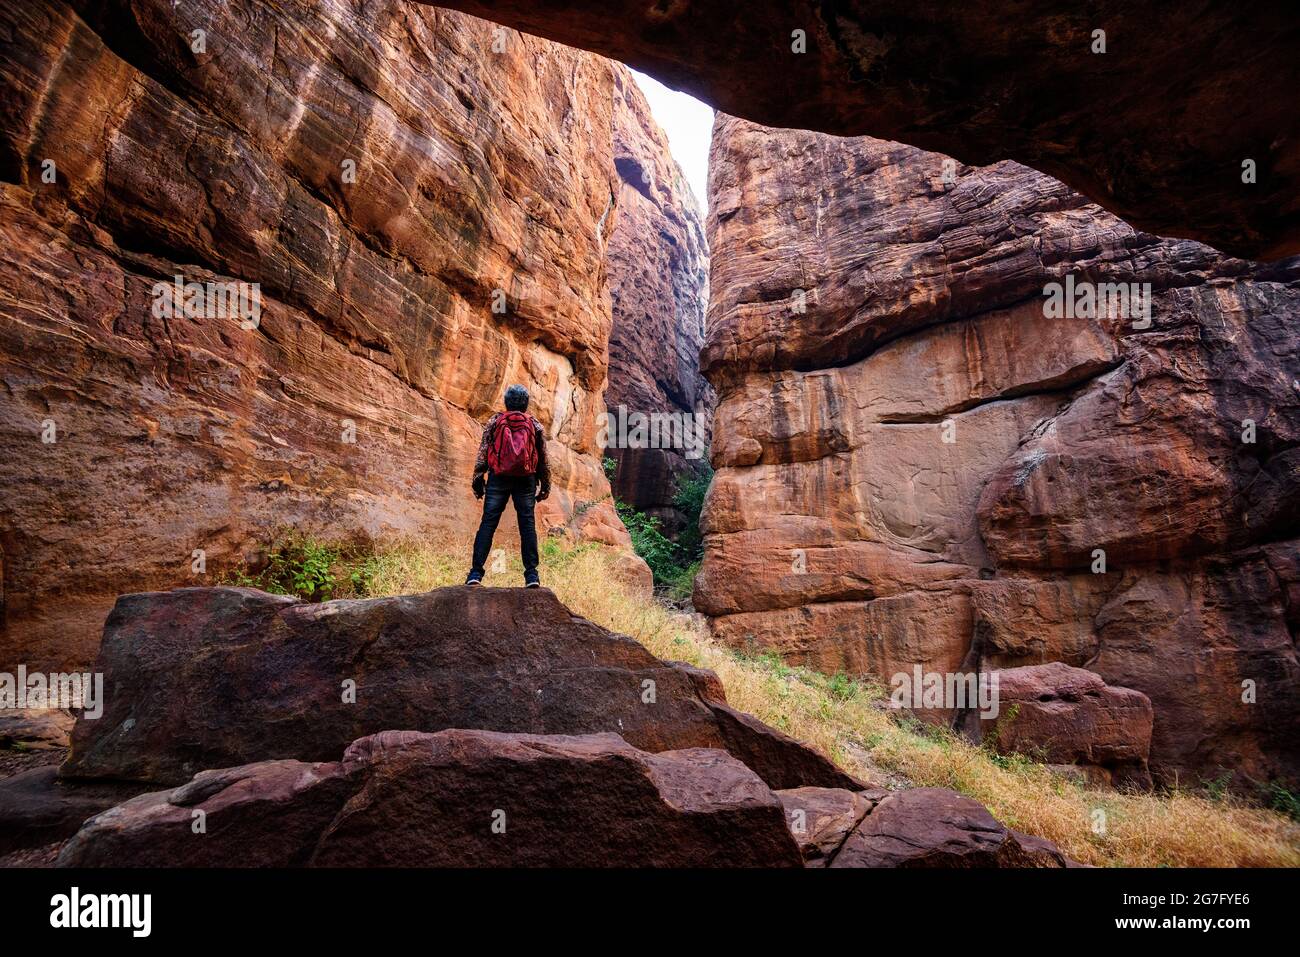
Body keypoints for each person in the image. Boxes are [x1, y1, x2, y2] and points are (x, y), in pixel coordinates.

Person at [465, 385, 550, 587]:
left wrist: (478, 478)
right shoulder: (534, 424)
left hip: (498, 477)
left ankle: (475, 573)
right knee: (527, 525)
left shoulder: (495, 421)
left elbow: (483, 451)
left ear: (507, 402)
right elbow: (544, 458)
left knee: (488, 523)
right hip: (526, 479)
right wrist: (546, 484)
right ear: (526, 403)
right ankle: (531, 575)